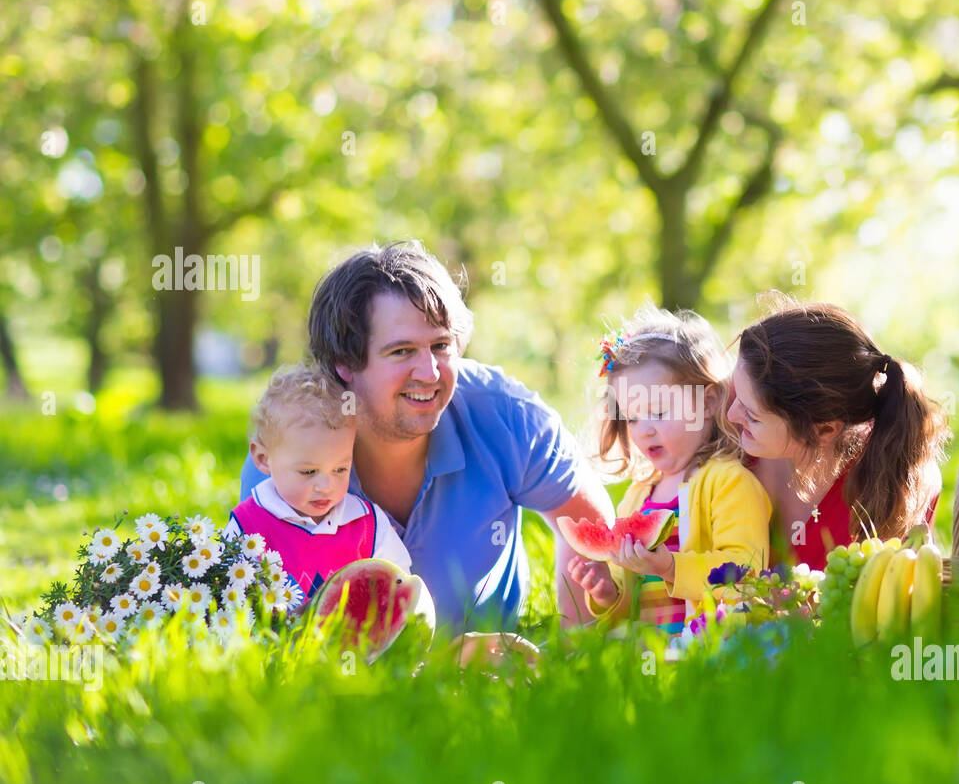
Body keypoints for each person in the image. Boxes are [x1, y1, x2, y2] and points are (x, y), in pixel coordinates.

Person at [239, 241, 614, 633]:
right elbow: (265, 622)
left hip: (492, 675)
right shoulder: (289, 457)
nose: (431, 373)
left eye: (440, 346)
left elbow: (593, 532)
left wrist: (574, 648)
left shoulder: (506, 415)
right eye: (401, 351)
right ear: (345, 363)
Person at [565, 306, 771, 634]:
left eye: (658, 412)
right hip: (652, 658)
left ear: (708, 401)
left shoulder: (728, 483)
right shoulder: (637, 498)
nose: (643, 429)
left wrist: (670, 567)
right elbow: (631, 602)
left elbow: (745, 573)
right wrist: (608, 593)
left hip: (713, 649)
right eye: (632, 417)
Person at [727, 300, 951, 570]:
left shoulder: (896, 485)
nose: (730, 415)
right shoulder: (728, 417)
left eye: (752, 415)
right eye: (737, 394)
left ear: (824, 430)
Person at [226, 363, 435, 623]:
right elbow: (227, 598)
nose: (326, 486)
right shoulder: (246, 525)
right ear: (262, 457)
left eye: (340, 469)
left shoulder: (369, 524)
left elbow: (397, 585)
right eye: (308, 472)